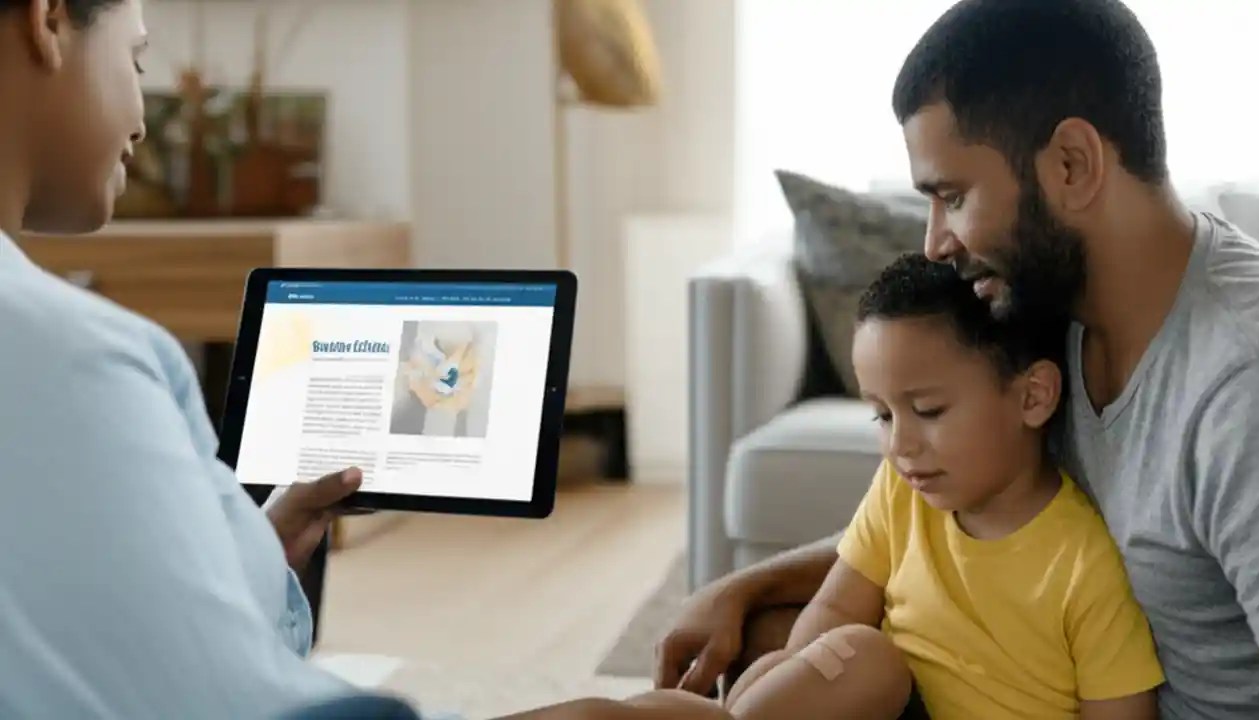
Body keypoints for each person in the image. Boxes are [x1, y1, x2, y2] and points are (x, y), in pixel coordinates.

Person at [0, 1, 728, 718]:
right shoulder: (82, 364)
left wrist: (251, 547)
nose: (143, 115)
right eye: (136, 60)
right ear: (49, 20)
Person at [657, 0, 1259, 717]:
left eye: (952, 196)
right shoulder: (1051, 316)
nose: (935, 244)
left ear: (1072, 164)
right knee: (775, 642)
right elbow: (943, 518)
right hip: (1027, 688)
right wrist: (739, 587)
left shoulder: (1252, 383)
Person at [721, 253, 1163, 720]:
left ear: (1032, 396)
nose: (900, 444)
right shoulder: (901, 490)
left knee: (863, 660)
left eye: (929, 411)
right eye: (883, 415)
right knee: (783, 658)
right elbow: (834, 609)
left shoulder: (1084, 564)